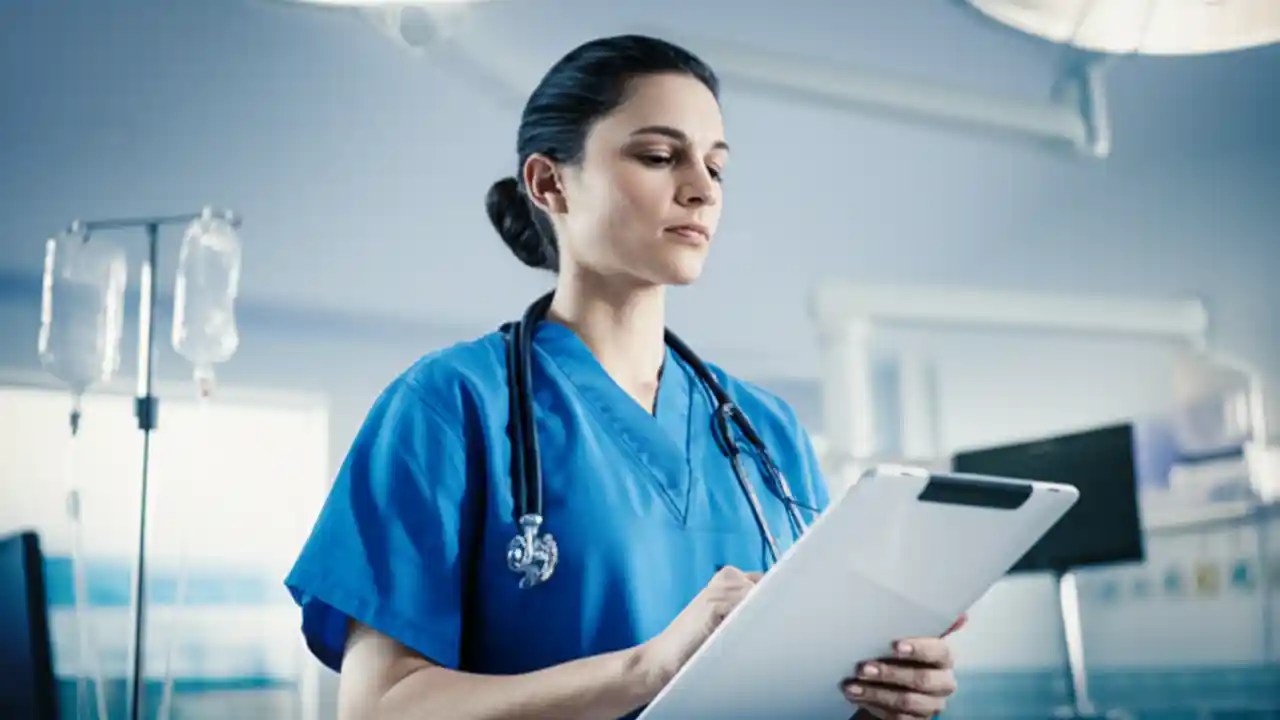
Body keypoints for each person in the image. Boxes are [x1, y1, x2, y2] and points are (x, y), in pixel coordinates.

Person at [285, 34, 962, 720]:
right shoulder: (447, 406)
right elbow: (379, 709)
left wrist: (879, 695)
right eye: (660, 157)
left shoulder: (768, 431)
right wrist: (646, 670)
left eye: (716, 167)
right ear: (549, 183)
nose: (700, 189)